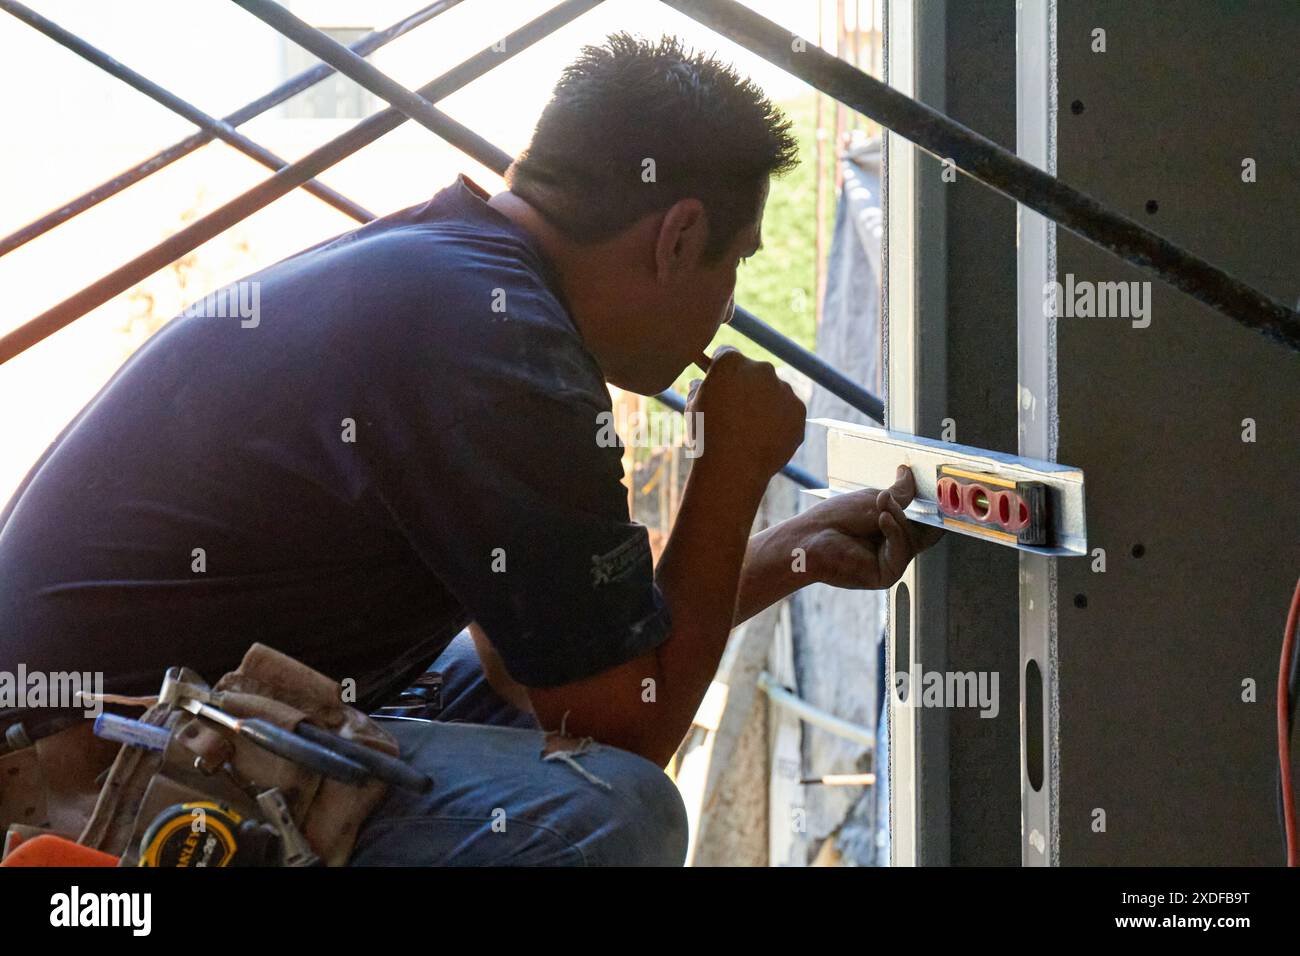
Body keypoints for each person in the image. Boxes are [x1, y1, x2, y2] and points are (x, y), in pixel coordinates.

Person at [0, 34, 938, 866]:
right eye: (733, 265)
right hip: (83, 784)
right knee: (610, 815)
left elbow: (527, 670)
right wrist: (732, 468)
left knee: (479, 700)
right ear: (678, 235)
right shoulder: (504, 342)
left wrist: (787, 554)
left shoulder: (462, 277)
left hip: (149, 723)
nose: (726, 305)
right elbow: (622, 726)